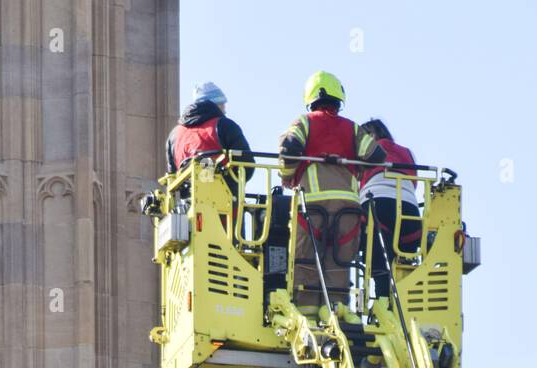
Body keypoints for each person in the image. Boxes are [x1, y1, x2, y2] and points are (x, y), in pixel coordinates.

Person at [278, 71, 386, 313]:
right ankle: (337, 310)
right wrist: (351, 163)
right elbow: (377, 156)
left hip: (312, 204)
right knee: (338, 260)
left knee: (306, 259)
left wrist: (287, 176)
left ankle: (308, 312)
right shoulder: (352, 128)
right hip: (348, 205)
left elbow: (288, 148)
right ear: (339, 99)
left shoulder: (304, 122)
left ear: (310, 98)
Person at [356, 118, 422, 299]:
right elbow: (414, 181)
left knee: (375, 246)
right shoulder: (407, 153)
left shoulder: (367, 152)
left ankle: (382, 299)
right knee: (404, 256)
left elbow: (355, 186)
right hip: (409, 210)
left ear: (372, 135)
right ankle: (403, 296)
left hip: (377, 204)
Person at [166, 81, 255, 197]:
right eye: (223, 105)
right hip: (224, 204)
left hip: (186, 206)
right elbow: (247, 165)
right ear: (216, 104)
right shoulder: (225, 125)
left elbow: (172, 176)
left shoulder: (174, 135)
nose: (225, 110)